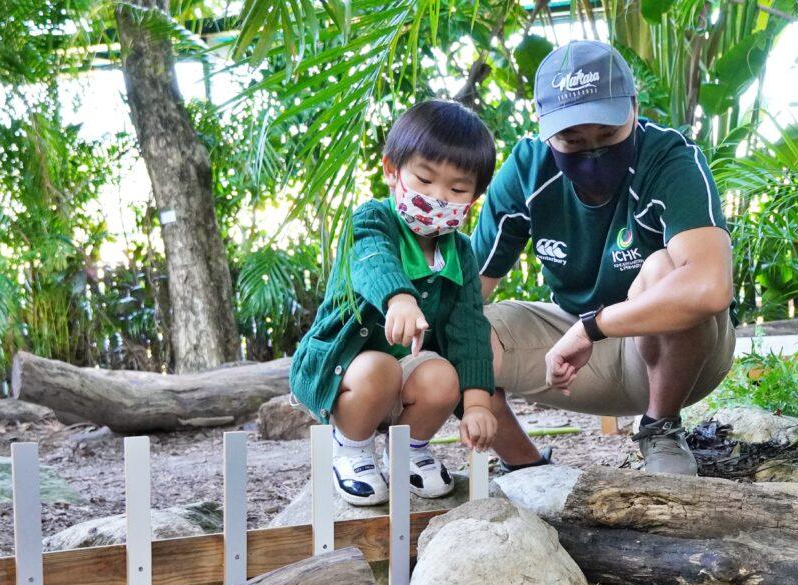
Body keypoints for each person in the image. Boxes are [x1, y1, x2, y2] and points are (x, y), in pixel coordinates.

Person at [474, 40, 736, 476]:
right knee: (464, 331)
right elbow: (467, 296)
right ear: (543, 128)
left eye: (608, 135)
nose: (592, 153)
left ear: (633, 107)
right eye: (572, 140)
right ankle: (526, 466)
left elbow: (710, 286)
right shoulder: (527, 171)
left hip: (679, 356)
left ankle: (660, 428)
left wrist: (593, 326)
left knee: (663, 270)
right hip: (574, 360)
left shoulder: (669, 159)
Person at [290, 100, 499, 505]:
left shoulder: (461, 252)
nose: (438, 196)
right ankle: (351, 450)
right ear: (391, 170)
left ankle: (409, 451)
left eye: (457, 189)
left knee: (442, 379)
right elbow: (372, 260)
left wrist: (477, 403)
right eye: (424, 179)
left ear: (475, 195)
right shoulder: (370, 220)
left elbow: (470, 327)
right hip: (345, 368)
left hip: (405, 375)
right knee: (379, 369)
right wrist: (399, 298)